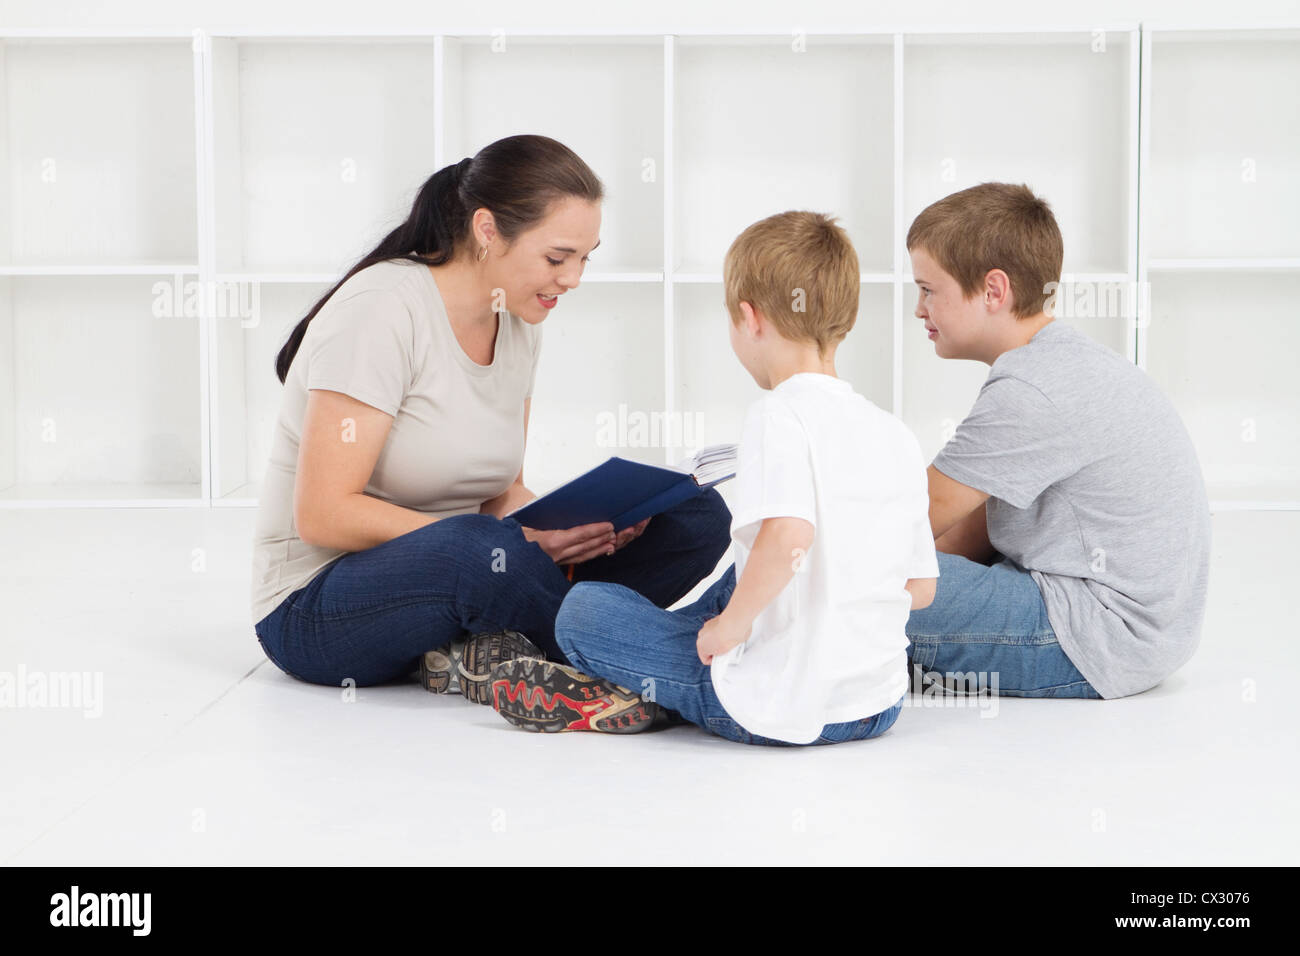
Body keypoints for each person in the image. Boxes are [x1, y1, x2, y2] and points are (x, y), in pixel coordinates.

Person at [250, 134, 732, 703]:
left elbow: (498, 493)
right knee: (479, 551)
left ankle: (522, 652)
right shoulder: (380, 310)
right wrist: (507, 542)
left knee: (693, 515)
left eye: (585, 257)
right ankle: (645, 659)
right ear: (486, 231)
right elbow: (323, 515)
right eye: (557, 258)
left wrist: (578, 529)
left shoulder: (520, 321)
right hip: (319, 606)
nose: (573, 278)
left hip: (471, 575)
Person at [489, 211, 939, 745]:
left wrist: (733, 628)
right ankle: (659, 674)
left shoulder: (779, 415)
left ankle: (648, 687)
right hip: (877, 704)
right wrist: (841, 596)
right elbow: (921, 588)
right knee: (742, 580)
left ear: (749, 319)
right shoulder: (894, 433)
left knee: (585, 611)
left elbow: (790, 535)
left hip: (779, 707)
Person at [905, 182, 1211, 699]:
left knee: (847, 595)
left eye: (929, 290)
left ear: (994, 290)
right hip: (1147, 637)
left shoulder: (1031, 388)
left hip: (1099, 633)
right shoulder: (1058, 361)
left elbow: (911, 519)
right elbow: (964, 527)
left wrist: (801, 562)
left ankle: (728, 652)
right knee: (867, 581)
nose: (919, 309)